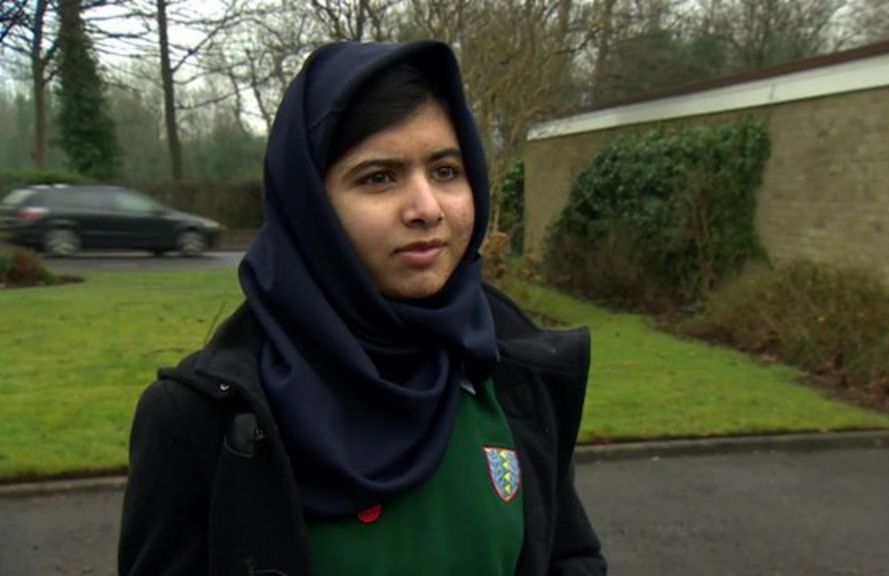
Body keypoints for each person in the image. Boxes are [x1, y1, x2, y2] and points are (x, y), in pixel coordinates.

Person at [118, 39, 606, 576]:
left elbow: (568, 555)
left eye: (445, 171)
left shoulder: (512, 367)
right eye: (379, 177)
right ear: (310, 208)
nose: (426, 208)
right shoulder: (201, 420)